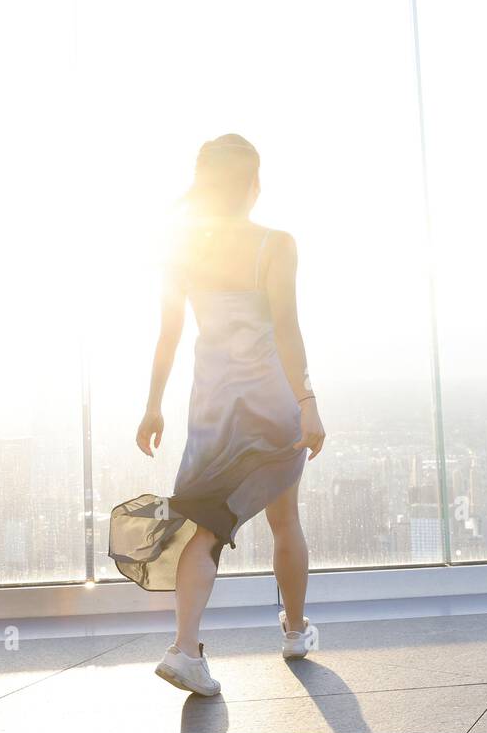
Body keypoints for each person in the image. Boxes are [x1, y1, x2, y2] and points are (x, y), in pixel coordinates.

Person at [108, 134, 325, 696]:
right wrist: (308, 404)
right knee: (285, 518)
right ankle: (296, 633)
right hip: (273, 406)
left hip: (213, 411)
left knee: (205, 528)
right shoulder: (275, 244)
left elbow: (169, 335)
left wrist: (153, 405)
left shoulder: (182, 251)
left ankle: (186, 647)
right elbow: (287, 329)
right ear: (253, 185)